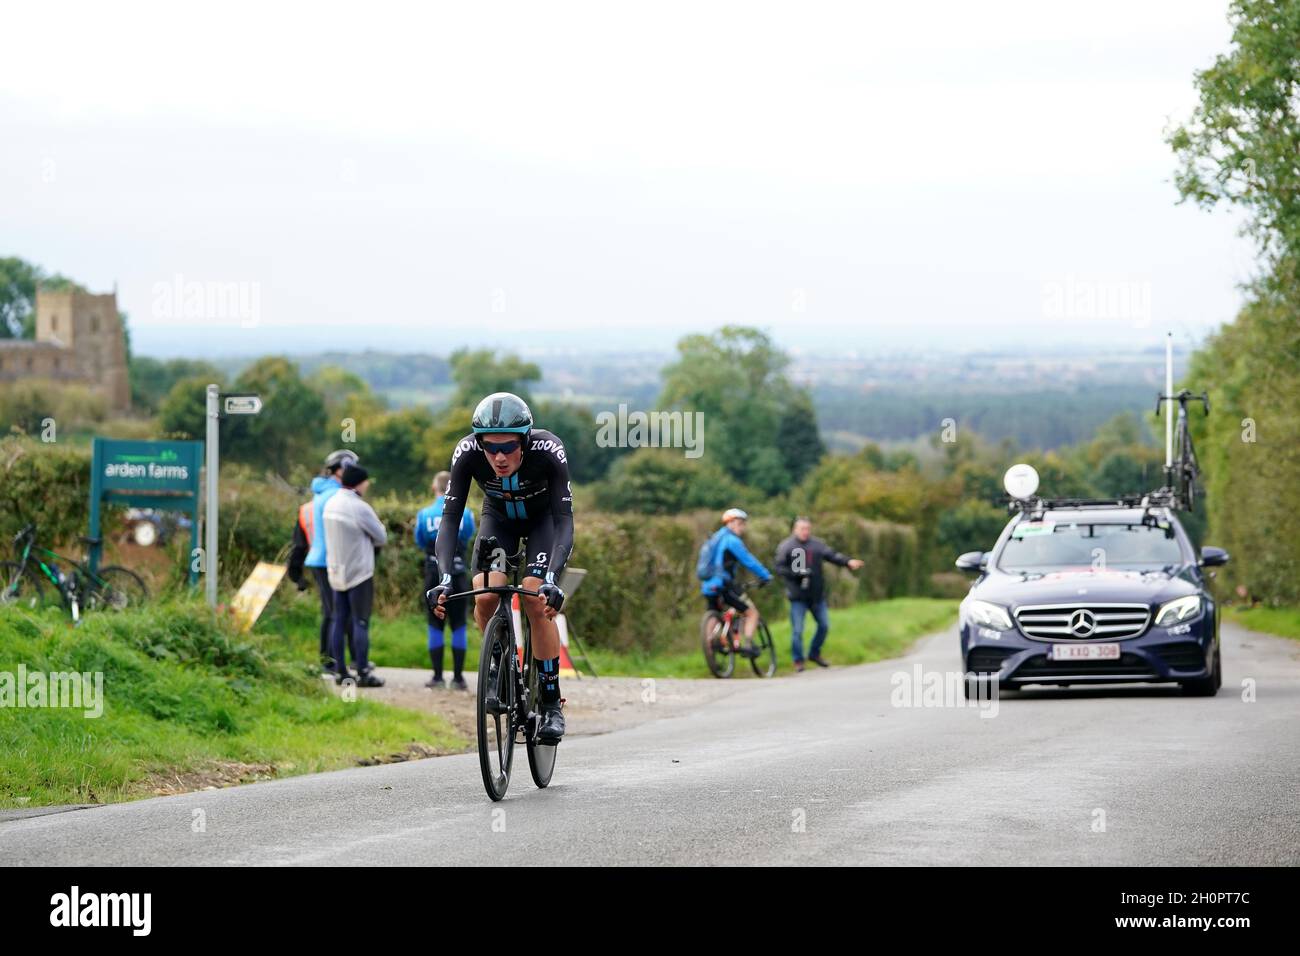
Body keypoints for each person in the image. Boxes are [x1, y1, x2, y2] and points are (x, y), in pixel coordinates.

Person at [426, 392, 573, 741]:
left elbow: (565, 521)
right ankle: (498, 661)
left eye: (508, 446)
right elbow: (449, 520)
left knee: (538, 601)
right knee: (486, 596)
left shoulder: (549, 451)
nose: (499, 456)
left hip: (543, 524)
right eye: (490, 448)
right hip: (499, 521)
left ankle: (551, 704)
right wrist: (445, 577)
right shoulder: (467, 454)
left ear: (524, 440)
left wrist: (552, 577)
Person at [322, 463, 387, 687]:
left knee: (338, 620)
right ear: (360, 482)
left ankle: (340, 671)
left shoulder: (331, 503)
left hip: (336, 570)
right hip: (359, 572)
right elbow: (381, 536)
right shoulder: (359, 507)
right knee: (360, 622)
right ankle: (362, 673)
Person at [774, 516, 864, 671]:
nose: (805, 532)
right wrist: (796, 574)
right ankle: (798, 661)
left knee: (824, 625)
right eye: (802, 528)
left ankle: (814, 653)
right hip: (797, 596)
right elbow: (779, 568)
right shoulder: (786, 546)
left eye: (808, 529)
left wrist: (848, 562)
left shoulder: (817, 545)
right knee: (797, 630)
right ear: (795, 529)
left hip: (816, 595)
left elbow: (832, 556)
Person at [414, 470, 476, 690]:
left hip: (433, 571)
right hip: (458, 572)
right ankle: (459, 679)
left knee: (435, 624)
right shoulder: (466, 514)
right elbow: (468, 536)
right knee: (459, 624)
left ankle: (437, 677)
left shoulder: (424, 514)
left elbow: (420, 540)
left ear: (434, 488)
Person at [303, 450, 358, 674]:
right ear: (342, 469)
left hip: (321, 557)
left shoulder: (323, 491)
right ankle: (329, 662)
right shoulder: (336, 495)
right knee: (335, 612)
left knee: (331, 611)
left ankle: (330, 660)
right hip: (330, 558)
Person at [699, 508, 773, 658]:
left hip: (708, 585)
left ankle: (709, 647)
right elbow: (749, 561)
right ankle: (747, 645)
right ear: (730, 524)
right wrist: (765, 575)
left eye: (743, 524)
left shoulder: (714, 538)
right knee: (752, 613)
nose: (742, 527)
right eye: (740, 523)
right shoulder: (732, 541)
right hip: (724, 583)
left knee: (713, 614)